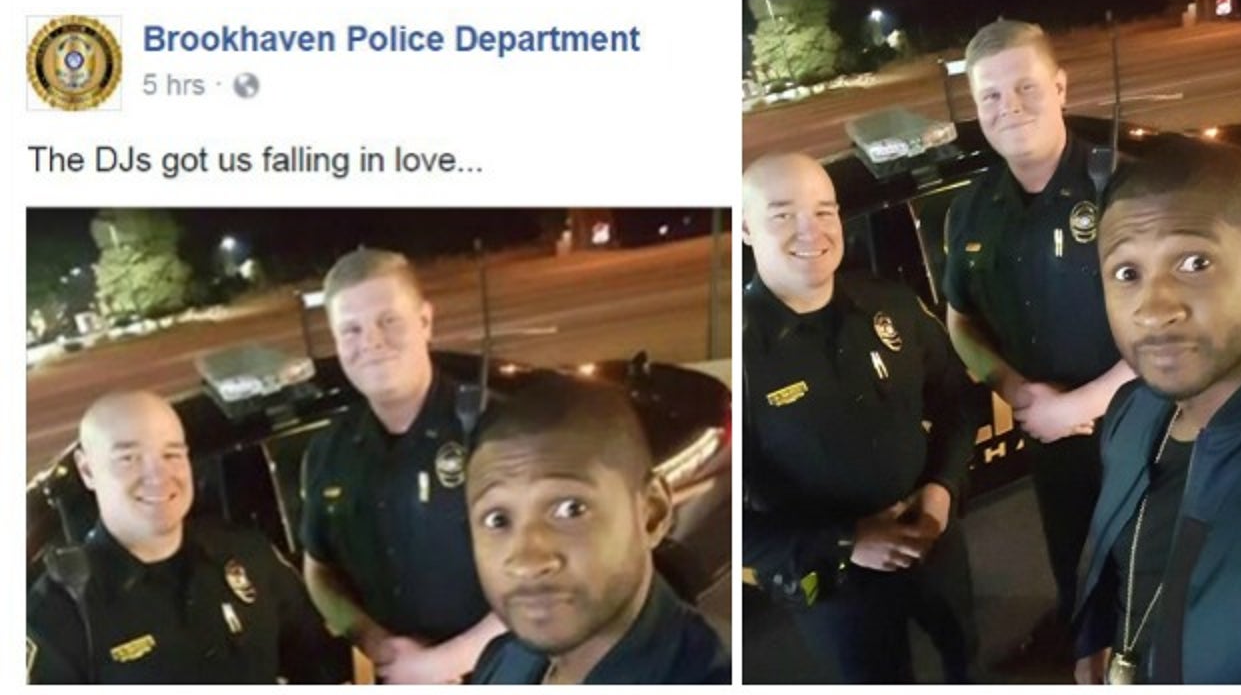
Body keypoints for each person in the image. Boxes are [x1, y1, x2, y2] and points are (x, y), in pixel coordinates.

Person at [742, 152, 980, 683]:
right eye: (783, 214)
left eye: (824, 211)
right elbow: (728, 525)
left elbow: (957, 400)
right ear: (745, 228)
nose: (812, 230)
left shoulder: (889, 305)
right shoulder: (740, 356)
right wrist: (849, 541)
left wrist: (942, 488)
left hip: (932, 535)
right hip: (831, 579)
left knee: (966, 653)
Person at [942, 19, 1136, 629]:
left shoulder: (1124, 188)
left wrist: (1083, 402)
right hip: (1051, 444)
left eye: (1025, 87)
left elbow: (1180, 326)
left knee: (1151, 585)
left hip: (1146, 431)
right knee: (1074, 570)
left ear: (1059, 86)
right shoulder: (971, 209)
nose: (1009, 107)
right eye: (990, 96)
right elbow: (960, 321)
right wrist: (1017, 391)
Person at [1073, 139, 1241, 684]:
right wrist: (1099, 637)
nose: (1155, 310)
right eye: (1127, 274)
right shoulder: (1132, 414)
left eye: (1194, 262)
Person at [27, 391, 345, 684]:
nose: (158, 476)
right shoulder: (57, 614)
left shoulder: (248, 555)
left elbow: (319, 666)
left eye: (172, 455)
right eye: (129, 458)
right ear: (87, 470)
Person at [299, 248, 504, 683]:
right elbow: (319, 569)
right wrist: (373, 640)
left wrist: (441, 664)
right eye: (350, 330)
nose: (370, 341)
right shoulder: (328, 451)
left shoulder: (497, 430)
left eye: (388, 320)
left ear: (425, 321)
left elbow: (550, 577)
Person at [465, 376, 730, 684]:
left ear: (651, 514)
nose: (527, 562)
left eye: (570, 509)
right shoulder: (503, 661)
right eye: (497, 520)